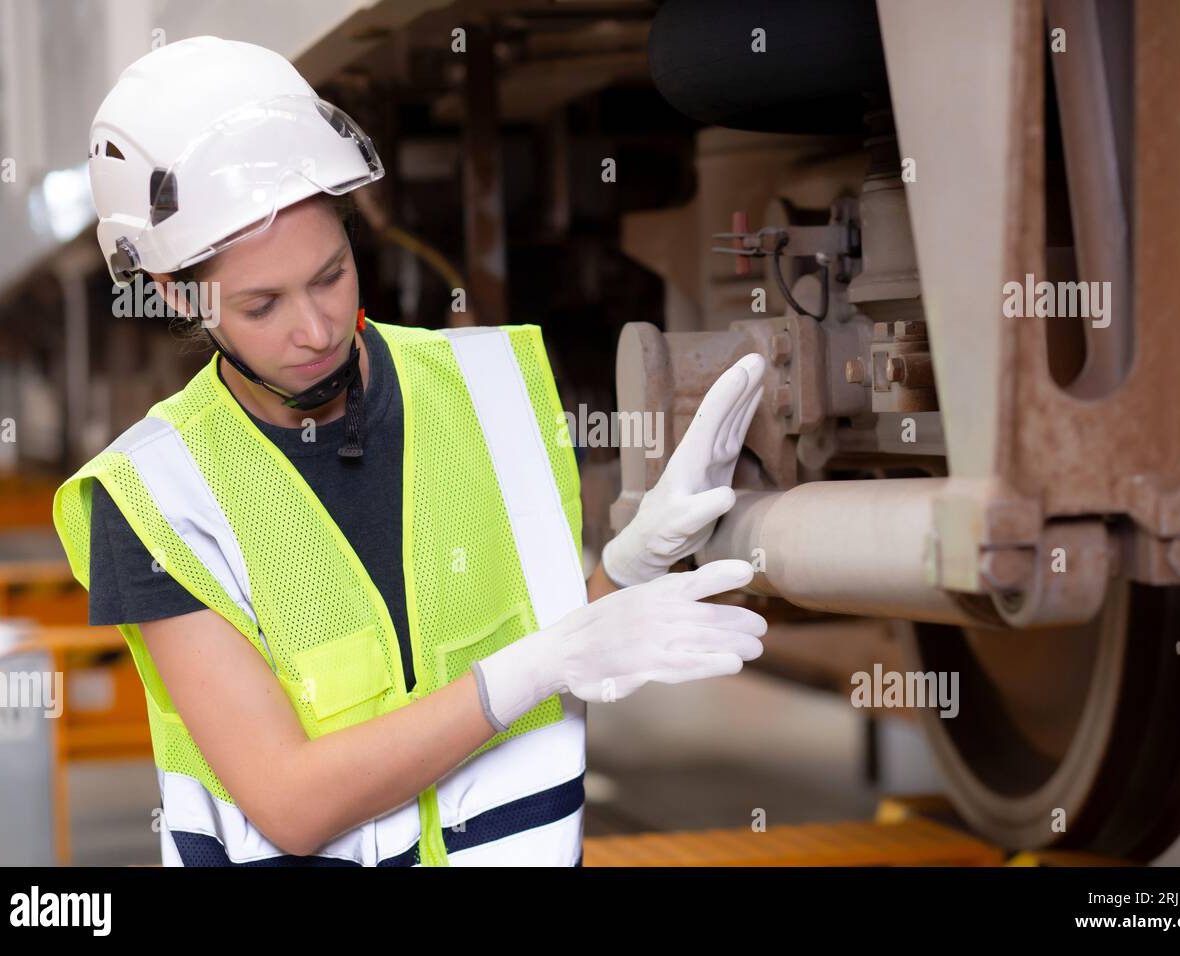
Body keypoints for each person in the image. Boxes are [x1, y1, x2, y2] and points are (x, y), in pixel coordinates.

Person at [52, 35, 768, 867]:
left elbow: (557, 641)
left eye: (330, 274)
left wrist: (637, 562)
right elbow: (291, 803)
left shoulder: (487, 387)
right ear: (178, 292)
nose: (316, 329)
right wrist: (528, 673)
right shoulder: (153, 495)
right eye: (262, 305)